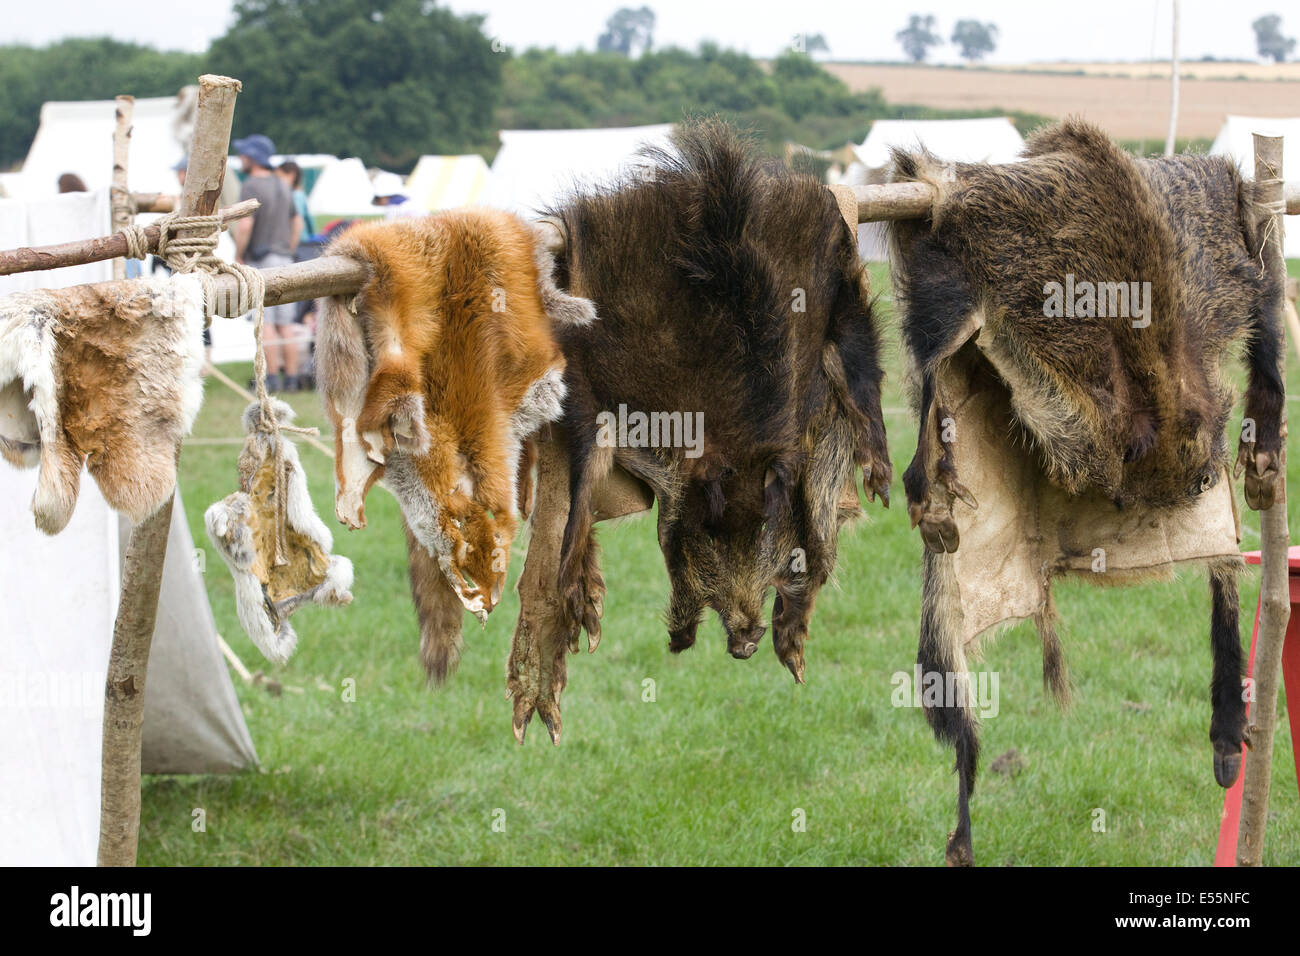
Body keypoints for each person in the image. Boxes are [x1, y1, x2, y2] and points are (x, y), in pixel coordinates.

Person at [233, 134, 305, 392]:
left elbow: (245, 224)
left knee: (266, 324)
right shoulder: (284, 185)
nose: (240, 158)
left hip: (261, 260)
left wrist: (238, 254)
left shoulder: (251, 185)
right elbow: (297, 223)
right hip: (285, 259)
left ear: (251, 158)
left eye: (243, 154)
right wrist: (289, 248)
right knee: (286, 324)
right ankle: (293, 380)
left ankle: (271, 379)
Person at [275, 160, 316, 244]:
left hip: (298, 242)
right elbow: (310, 222)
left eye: (279, 177)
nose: (276, 181)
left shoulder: (296, 196)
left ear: (291, 175)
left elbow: (297, 220)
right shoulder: (298, 194)